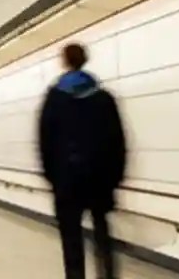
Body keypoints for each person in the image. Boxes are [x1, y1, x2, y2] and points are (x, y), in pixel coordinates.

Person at [39, 43, 127, 279]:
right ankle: (107, 274)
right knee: (102, 233)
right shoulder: (103, 98)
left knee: (71, 239)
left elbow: (45, 140)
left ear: (65, 61)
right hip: (99, 179)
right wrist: (115, 177)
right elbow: (117, 140)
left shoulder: (54, 98)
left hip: (67, 180)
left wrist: (52, 176)